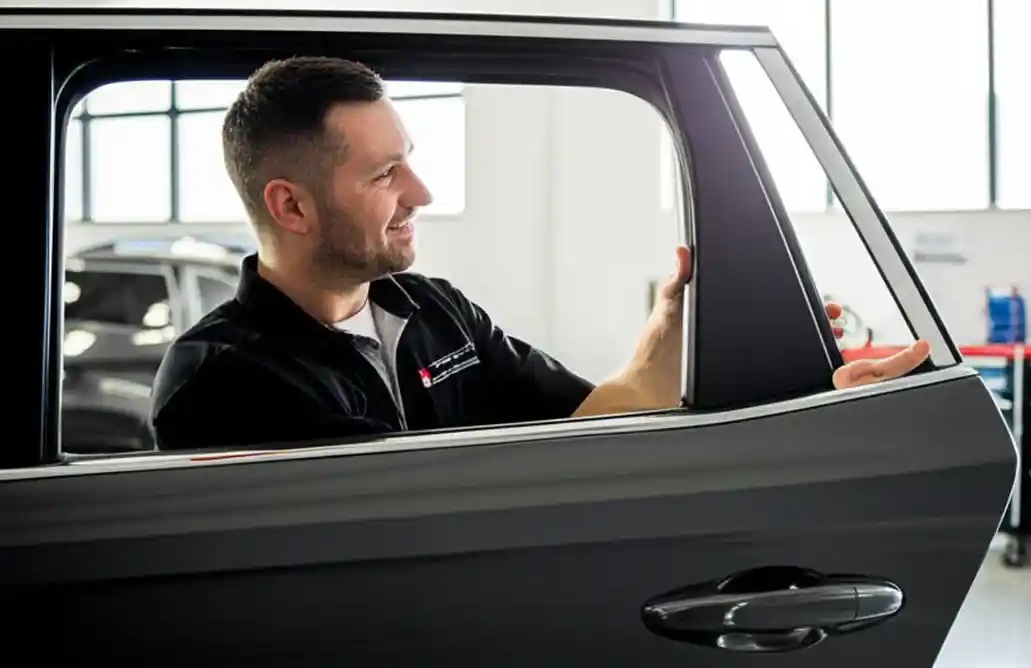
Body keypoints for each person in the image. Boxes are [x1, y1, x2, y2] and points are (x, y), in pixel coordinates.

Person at [148, 56, 930, 451]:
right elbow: (411, 521)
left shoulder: (434, 309)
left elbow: (586, 428)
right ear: (291, 206)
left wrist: (696, 343)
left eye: (410, 160)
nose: (422, 192)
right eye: (386, 175)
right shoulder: (222, 379)